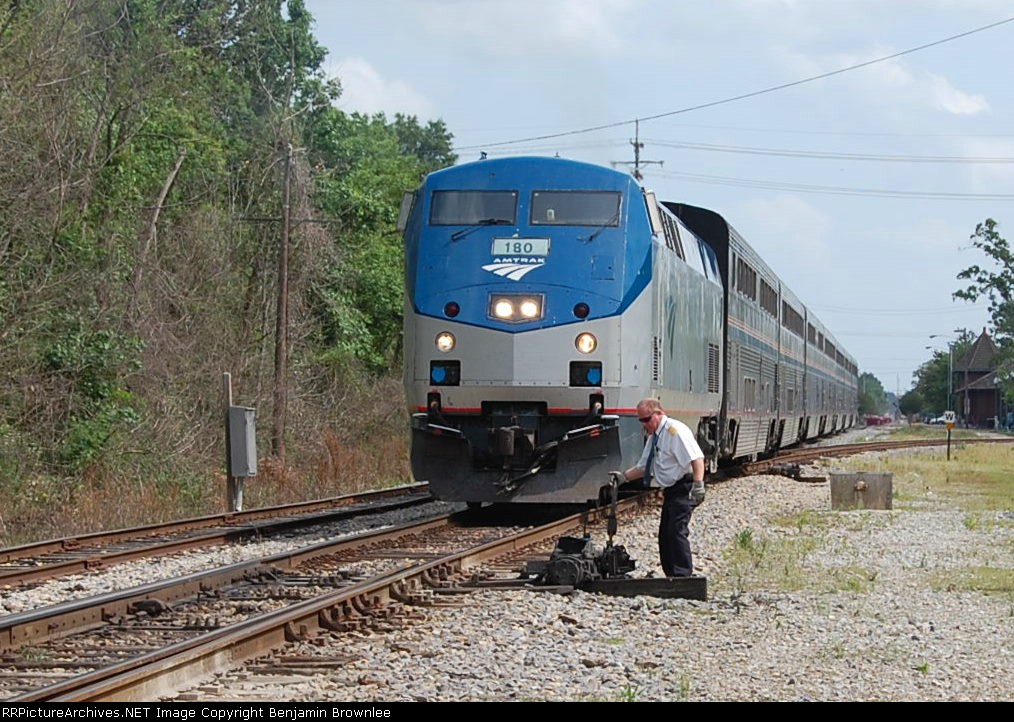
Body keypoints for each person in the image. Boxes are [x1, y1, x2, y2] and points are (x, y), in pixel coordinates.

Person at [616, 398, 706, 578]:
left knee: (676, 531)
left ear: (659, 413)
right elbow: (643, 467)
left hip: (684, 487)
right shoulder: (655, 436)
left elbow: (697, 458)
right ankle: (671, 575)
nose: (644, 424)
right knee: (665, 535)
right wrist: (623, 477)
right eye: (641, 420)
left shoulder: (675, 431)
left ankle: (683, 576)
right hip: (672, 490)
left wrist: (698, 485)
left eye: (646, 419)